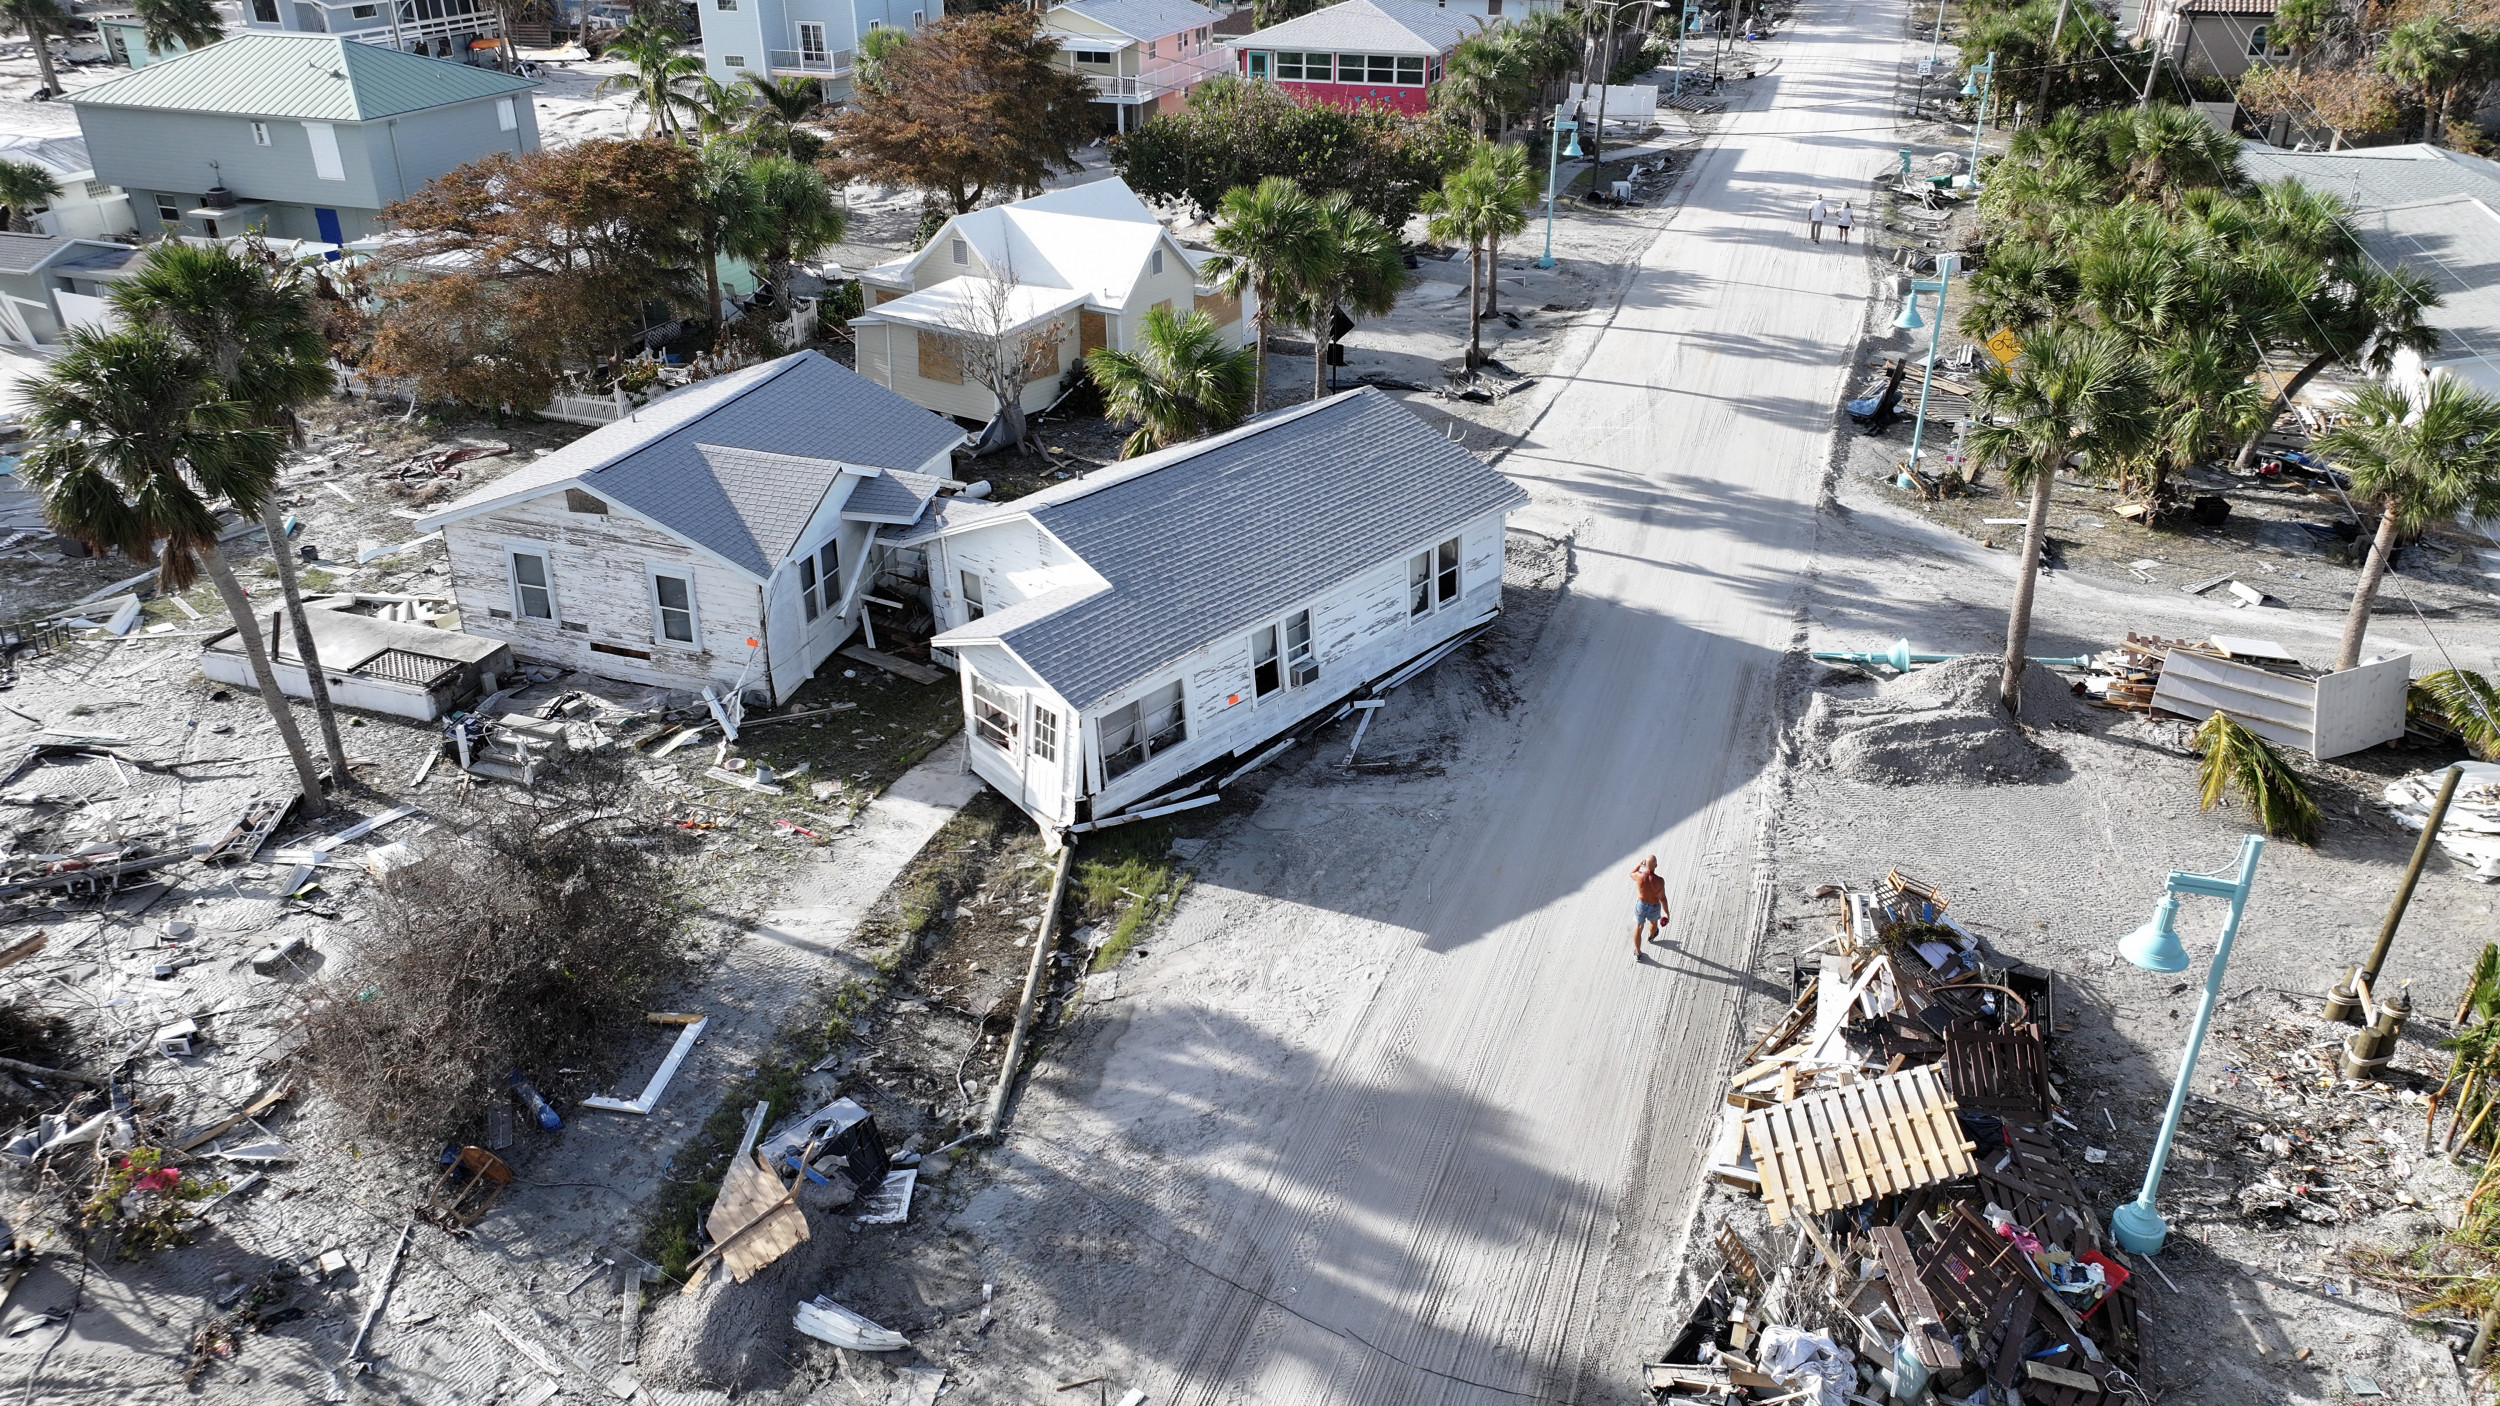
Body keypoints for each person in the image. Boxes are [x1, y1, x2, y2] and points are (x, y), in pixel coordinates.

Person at [1631, 856, 1671, 958]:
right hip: (1653, 906)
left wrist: (1639, 865)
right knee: (1653, 923)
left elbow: (1631, 874)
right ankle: (1651, 936)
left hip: (1641, 904)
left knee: (1639, 927)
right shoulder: (1660, 881)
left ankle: (1638, 953)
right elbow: (1662, 899)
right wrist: (1666, 913)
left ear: (1645, 865)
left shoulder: (1639, 876)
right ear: (1656, 866)